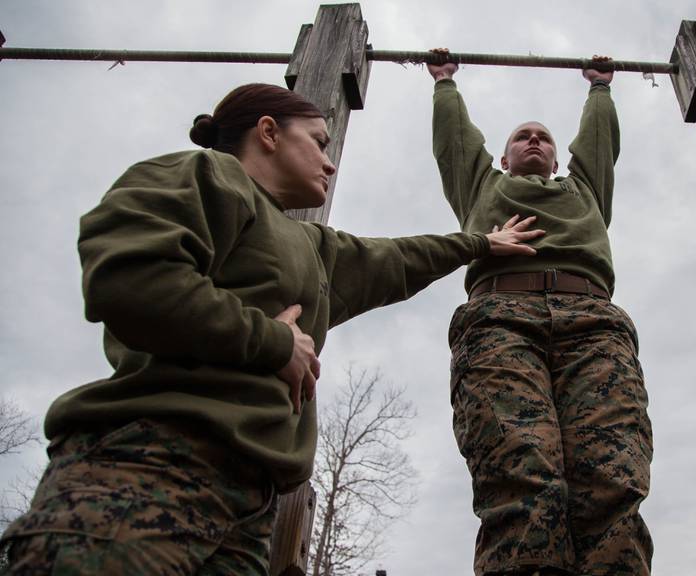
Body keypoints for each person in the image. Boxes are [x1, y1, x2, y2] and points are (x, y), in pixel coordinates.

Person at [0, 83, 544, 576]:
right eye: (318, 141)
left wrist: (479, 243)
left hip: (249, 512)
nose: (329, 164)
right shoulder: (201, 174)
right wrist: (273, 341)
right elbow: (131, 279)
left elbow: (397, 256)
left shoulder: (311, 246)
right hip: (147, 469)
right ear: (268, 132)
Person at [427, 51, 653, 576]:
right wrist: (444, 83)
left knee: (612, 478)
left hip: (593, 323)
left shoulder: (585, 192)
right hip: (500, 321)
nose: (533, 140)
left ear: (556, 159)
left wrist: (600, 88)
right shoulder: (485, 187)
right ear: (503, 159)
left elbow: (599, 143)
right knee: (521, 472)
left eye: (543, 138)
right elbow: (455, 143)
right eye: (522, 136)